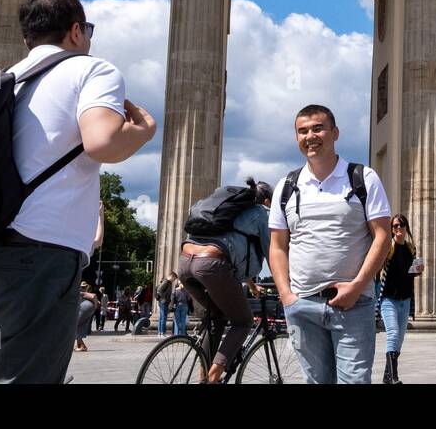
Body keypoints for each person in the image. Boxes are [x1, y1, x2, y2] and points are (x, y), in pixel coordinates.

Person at [0, 0, 156, 384]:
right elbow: (101, 142)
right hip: (41, 256)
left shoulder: (6, 80)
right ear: (75, 32)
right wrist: (143, 131)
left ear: (27, 38)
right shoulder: (91, 70)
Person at [269, 104, 392, 384]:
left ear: (335, 132)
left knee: (354, 381)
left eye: (317, 128)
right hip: (302, 305)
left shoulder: (363, 178)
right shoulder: (286, 186)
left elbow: (382, 236)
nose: (310, 136)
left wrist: (358, 286)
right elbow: (277, 246)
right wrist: (287, 296)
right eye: (302, 131)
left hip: (353, 304)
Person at [179, 178, 271, 383]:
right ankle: (213, 378)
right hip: (213, 266)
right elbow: (272, 252)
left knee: (216, 318)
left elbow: (234, 249)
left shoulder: (222, 209)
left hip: (185, 264)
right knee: (243, 321)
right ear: (266, 201)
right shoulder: (261, 213)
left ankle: (203, 374)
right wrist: (285, 286)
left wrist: (251, 284)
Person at [378, 213, 423, 384]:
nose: (398, 228)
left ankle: (387, 377)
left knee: (400, 339)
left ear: (406, 228)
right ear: (391, 229)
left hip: (405, 299)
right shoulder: (388, 247)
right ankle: (393, 376)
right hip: (389, 298)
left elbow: (409, 273)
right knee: (393, 334)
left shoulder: (411, 248)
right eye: (395, 226)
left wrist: (418, 270)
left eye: (401, 225)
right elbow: (380, 265)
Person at [76, 283, 98, 353]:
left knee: (75, 325)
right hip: (87, 308)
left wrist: (95, 306)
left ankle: (82, 346)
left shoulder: (81, 292)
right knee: (79, 325)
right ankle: (79, 345)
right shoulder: (83, 293)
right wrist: (94, 306)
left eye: (82, 287)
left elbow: (94, 296)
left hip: (85, 308)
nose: (81, 288)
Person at [155, 272, 175, 337]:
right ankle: (162, 333)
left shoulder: (168, 282)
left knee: (162, 317)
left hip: (163, 302)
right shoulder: (166, 282)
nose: (174, 280)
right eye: (174, 278)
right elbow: (159, 290)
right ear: (172, 276)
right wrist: (163, 299)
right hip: (163, 302)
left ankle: (160, 333)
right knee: (163, 317)